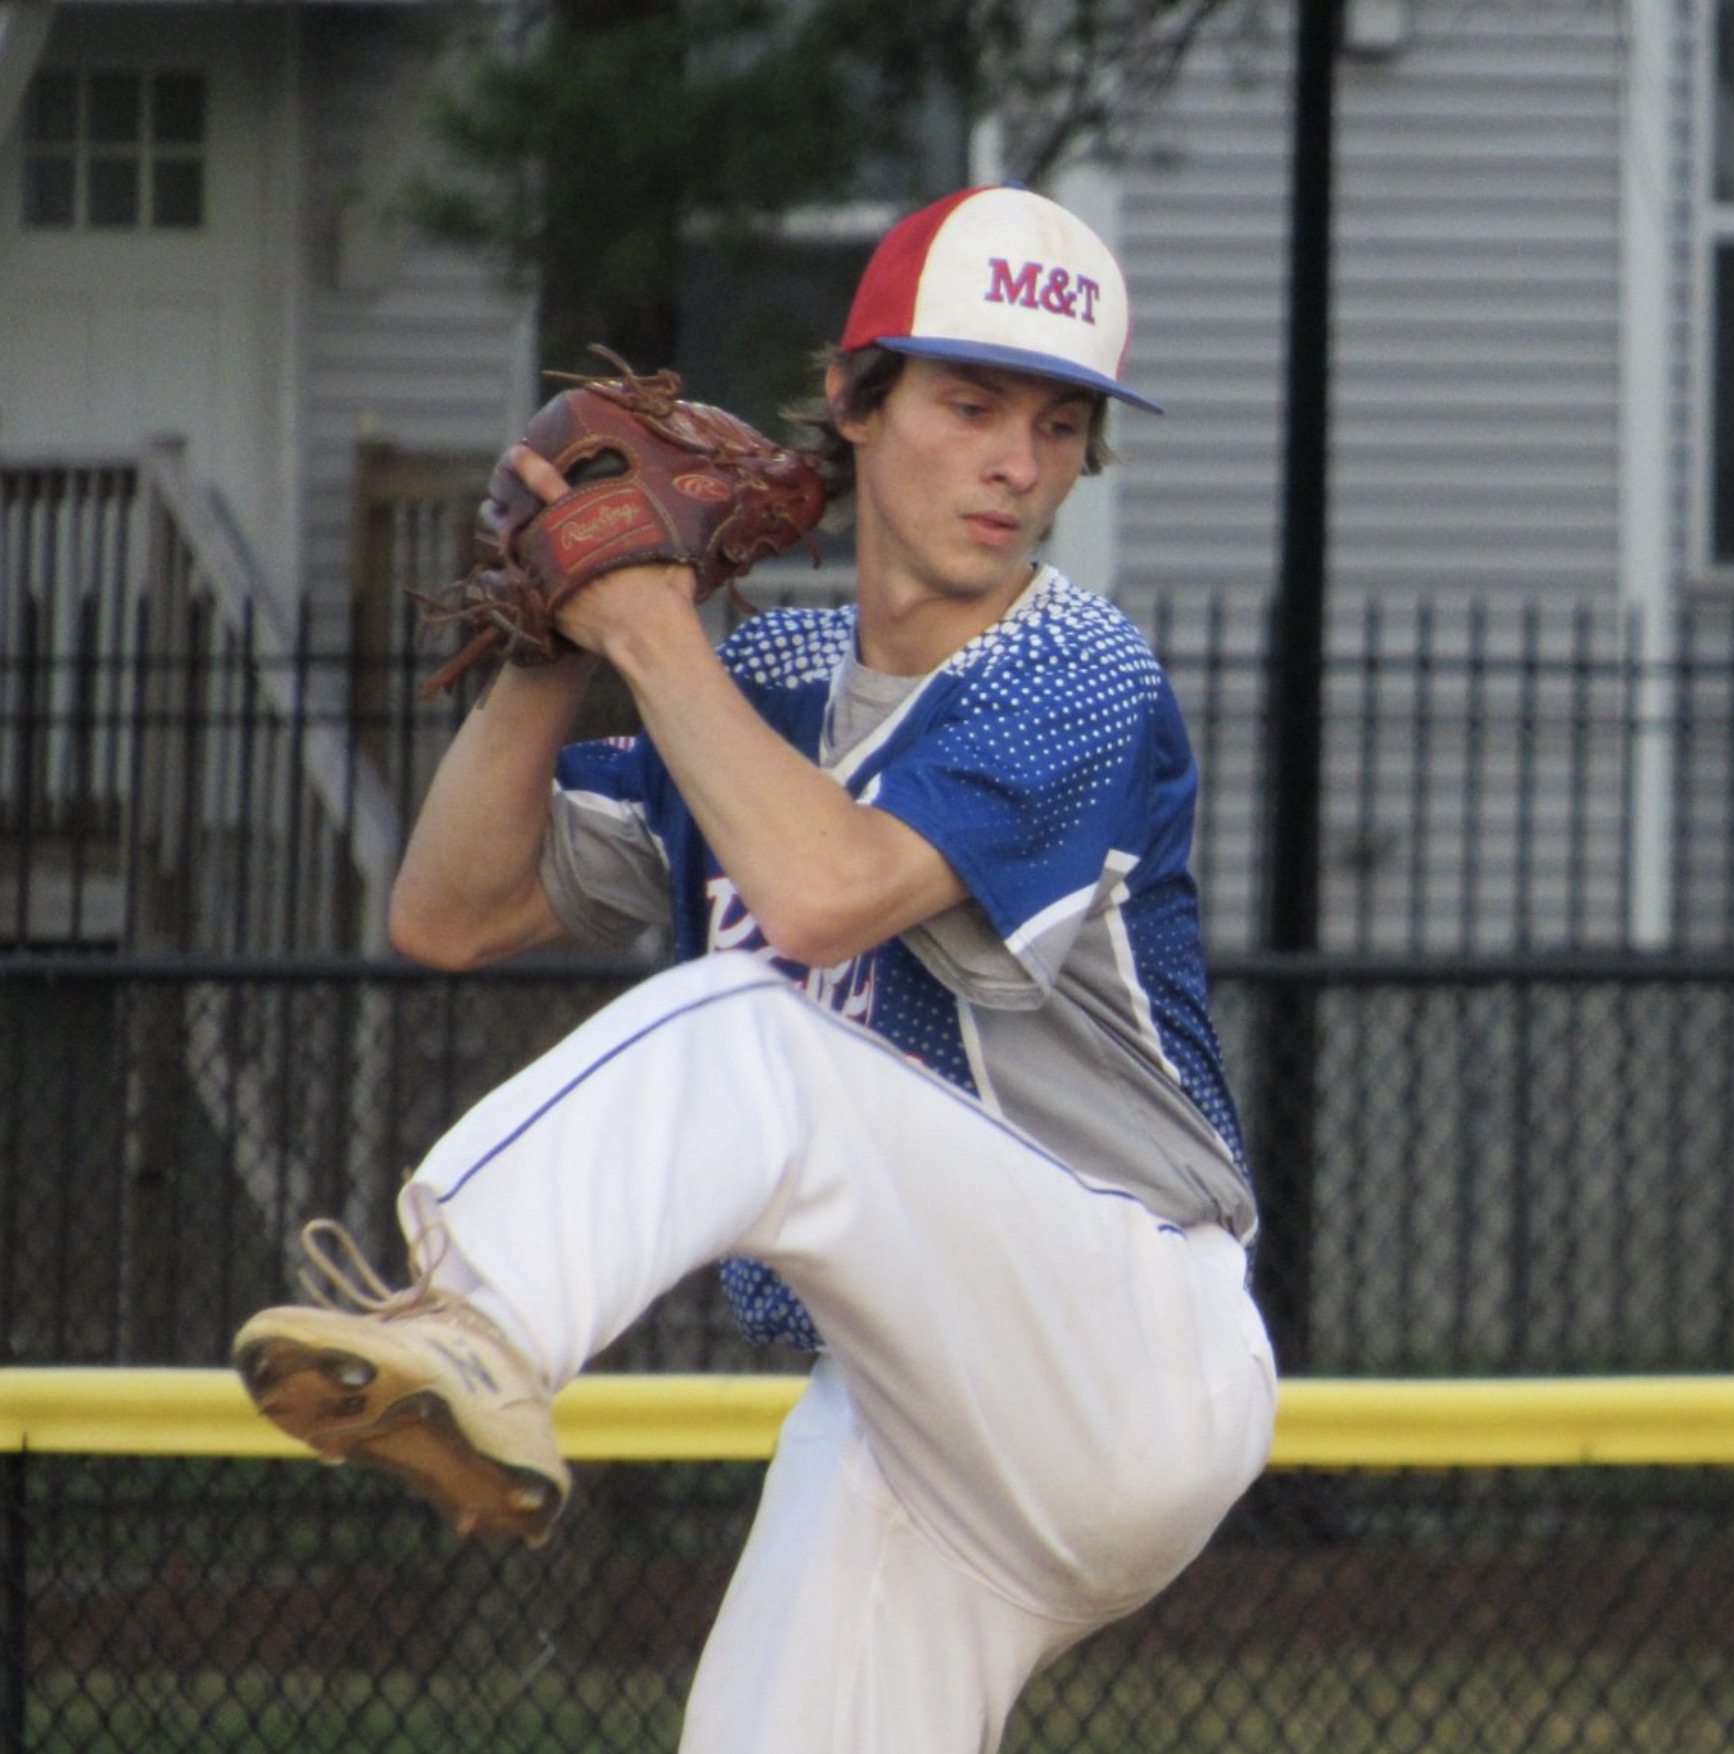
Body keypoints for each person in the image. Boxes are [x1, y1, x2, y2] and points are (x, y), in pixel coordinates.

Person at [233, 183, 1278, 1753]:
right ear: (855, 406)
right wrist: (556, 632)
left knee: (753, 1020)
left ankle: (480, 1318)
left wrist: (652, 632)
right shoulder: (766, 683)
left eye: (1058, 425)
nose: (1014, 460)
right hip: (911, 1406)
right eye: (967, 400)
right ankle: (477, 1336)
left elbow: (818, 892)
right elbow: (448, 914)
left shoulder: (1076, 671)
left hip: (1121, 1336)